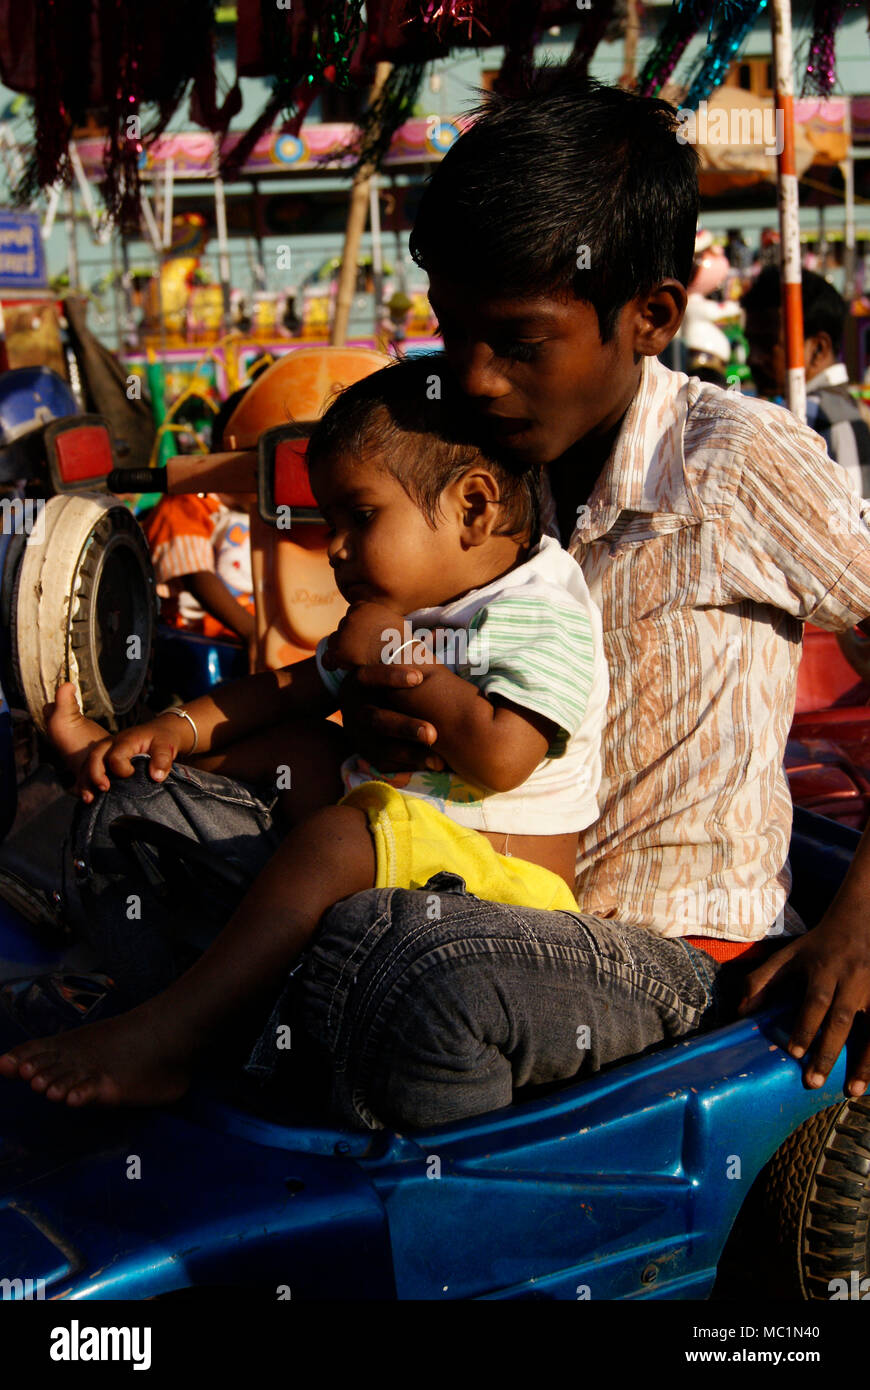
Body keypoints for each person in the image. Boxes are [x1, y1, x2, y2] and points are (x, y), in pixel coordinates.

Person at [8, 71, 870, 1131]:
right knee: (140, 823)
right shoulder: (471, 453)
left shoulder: (736, 463)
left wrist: (863, 922)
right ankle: (229, 1034)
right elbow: (345, 690)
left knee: (417, 971)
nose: (473, 375)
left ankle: (248, 1039)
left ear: (648, 316)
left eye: (516, 341)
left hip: (657, 956)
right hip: (444, 878)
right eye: (451, 331)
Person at [0, 358, 607, 1106]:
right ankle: (125, 762)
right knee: (302, 749)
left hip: (505, 888)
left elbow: (504, 756)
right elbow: (286, 691)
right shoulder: (417, 602)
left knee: (337, 838)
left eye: (362, 517)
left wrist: (396, 657)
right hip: (411, 836)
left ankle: (170, 1038)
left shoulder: (538, 610)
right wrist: (173, 729)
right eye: (330, 523)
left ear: (474, 508)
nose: (337, 548)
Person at [742, 265, 870, 495]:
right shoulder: (823, 411)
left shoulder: (825, 416)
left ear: (818, 348)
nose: (752, 358)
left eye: (766, 344)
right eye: (751, 344)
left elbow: (852, 525)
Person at [143, 490, 257, 646]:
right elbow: (194, 574)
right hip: (196, 637)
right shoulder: (186, 501)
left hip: (254, 633)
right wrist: (252, 632)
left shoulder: (264, 513)